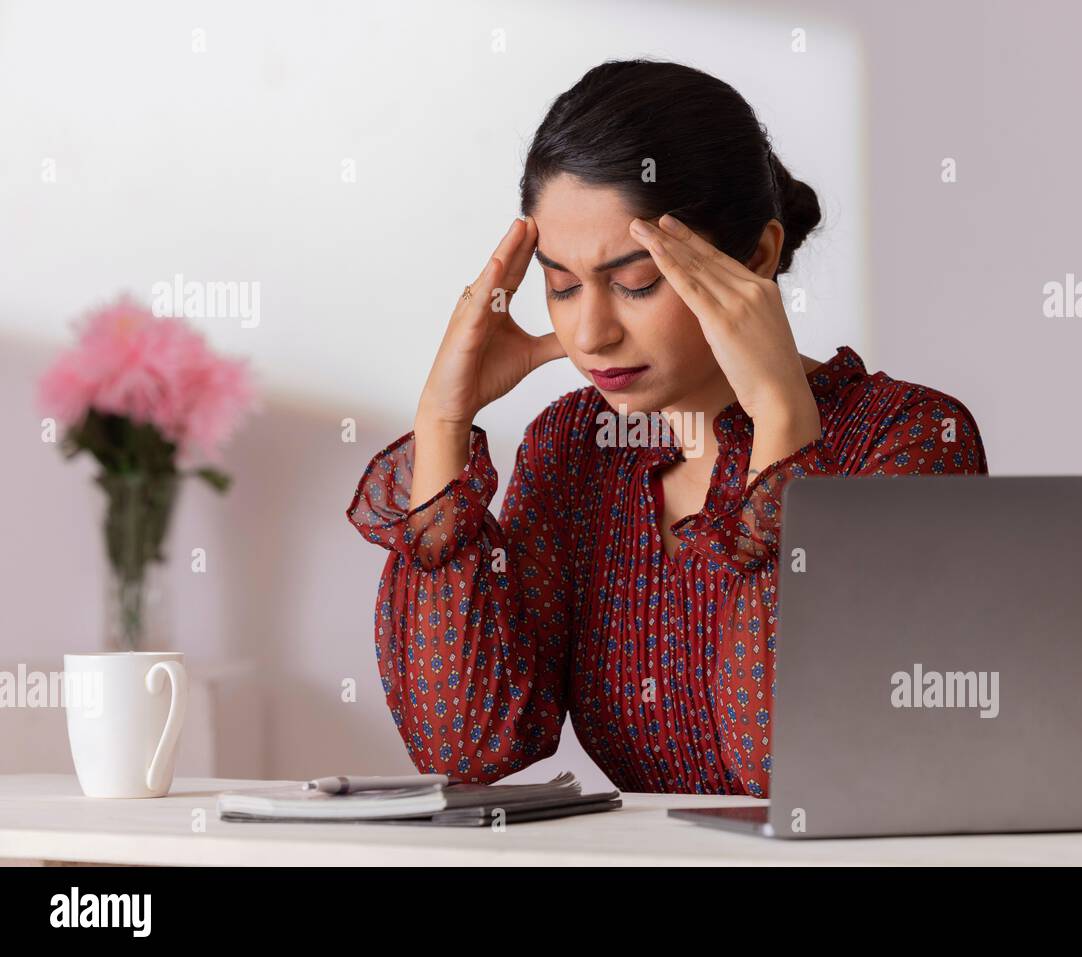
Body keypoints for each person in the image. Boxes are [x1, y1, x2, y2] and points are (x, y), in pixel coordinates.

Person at [347, 59, 989, 797]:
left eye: (635, 282)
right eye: (561, 285)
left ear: (756, 256)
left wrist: (782, 418)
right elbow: (467, 743)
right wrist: (443, 423)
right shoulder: (576, 449)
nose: (590, 333)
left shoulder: (910, 438)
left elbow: (792, 768)